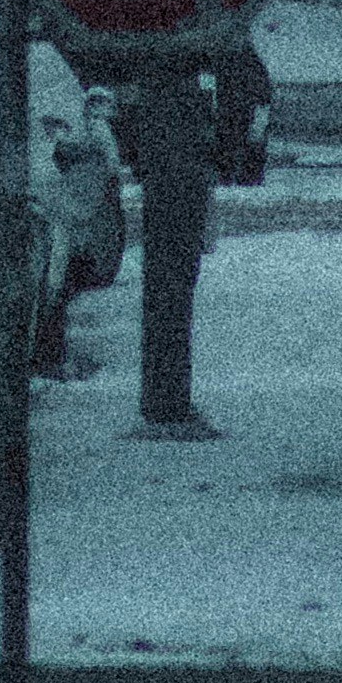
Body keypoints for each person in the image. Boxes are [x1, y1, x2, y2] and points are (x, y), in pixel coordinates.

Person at [121, 56, 222, 432]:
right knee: (170, 290)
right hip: (176, 191)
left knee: (170, 289)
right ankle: (166, 403)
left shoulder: (171, 93)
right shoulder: (175, 99)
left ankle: (164, 400)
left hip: (176, 190)